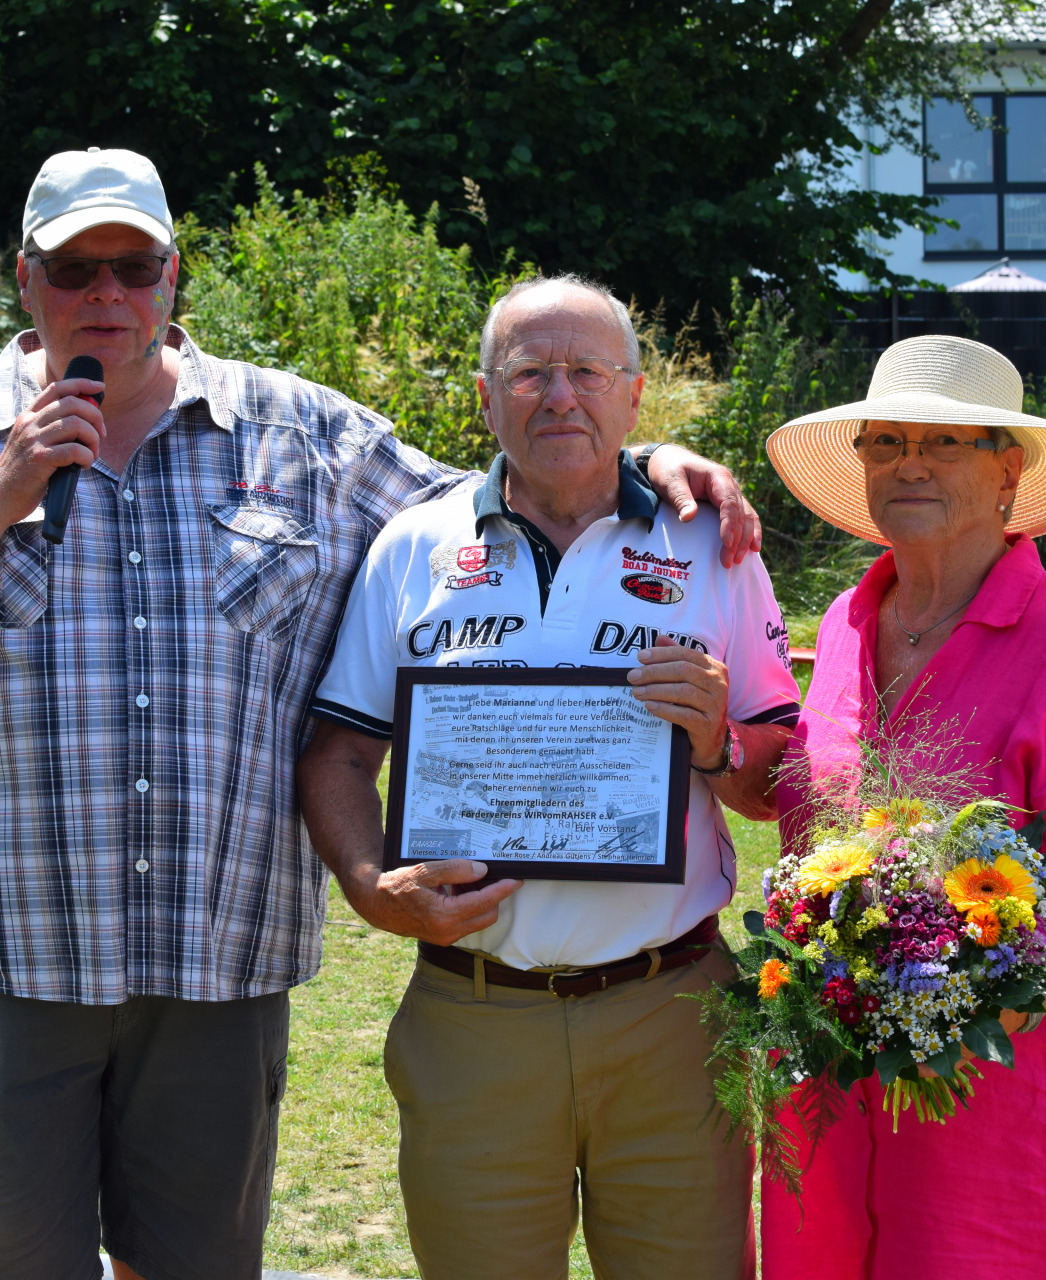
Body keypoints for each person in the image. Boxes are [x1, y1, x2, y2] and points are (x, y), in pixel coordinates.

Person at [0, 149, 759, 1280]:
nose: (106, 293)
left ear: (173, 273)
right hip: (5, 962)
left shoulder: (304, 437)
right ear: (25, 279)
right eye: (73, 268)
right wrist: (2, 491)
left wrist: (647, 463)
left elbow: (524, 503)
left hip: (214, 969)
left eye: (133, 264)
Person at [297, 274, 802, 1280]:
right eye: (530, 372)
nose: (560, 395)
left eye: (587, 371)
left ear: (634, 395)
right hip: (474, 1011)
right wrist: (367, 883)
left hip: (671, 1011)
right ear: (485, 398)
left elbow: (778, 778)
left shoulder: (714, 542)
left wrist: (712, 744)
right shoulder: (413, 546)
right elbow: (341, 749)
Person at [757, 334, 1046, 1278]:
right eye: (886, 440)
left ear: (1007, 470)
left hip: (1012, 1123)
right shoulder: (844, 621)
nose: (908, 461)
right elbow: (809, 832)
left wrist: (972, 1016)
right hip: (836, 1104)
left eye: (944, 442)